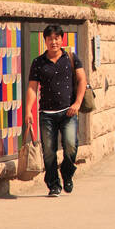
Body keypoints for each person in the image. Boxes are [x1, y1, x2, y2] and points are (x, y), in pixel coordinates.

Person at [25, 24, 88, 197]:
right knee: (49, 151)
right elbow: (32, 88)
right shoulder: (38, 62)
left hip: (69, 112)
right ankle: (53, 184)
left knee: (71, 145)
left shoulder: (71, 58)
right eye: (50, 39)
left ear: (62, 39)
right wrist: (28, 110)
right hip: (47, 114)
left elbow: (82, 80)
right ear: (45, 41)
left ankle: (67, 173)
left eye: (57, 38)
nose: (54, 42)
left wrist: (77, 103)